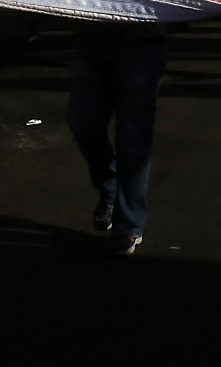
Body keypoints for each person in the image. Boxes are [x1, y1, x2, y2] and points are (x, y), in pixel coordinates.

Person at [67, 21, 167, 257]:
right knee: (83, 121)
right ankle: (110, 187)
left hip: (143, 40)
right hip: (90, 35)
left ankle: (128, 224)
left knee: (133, 137)